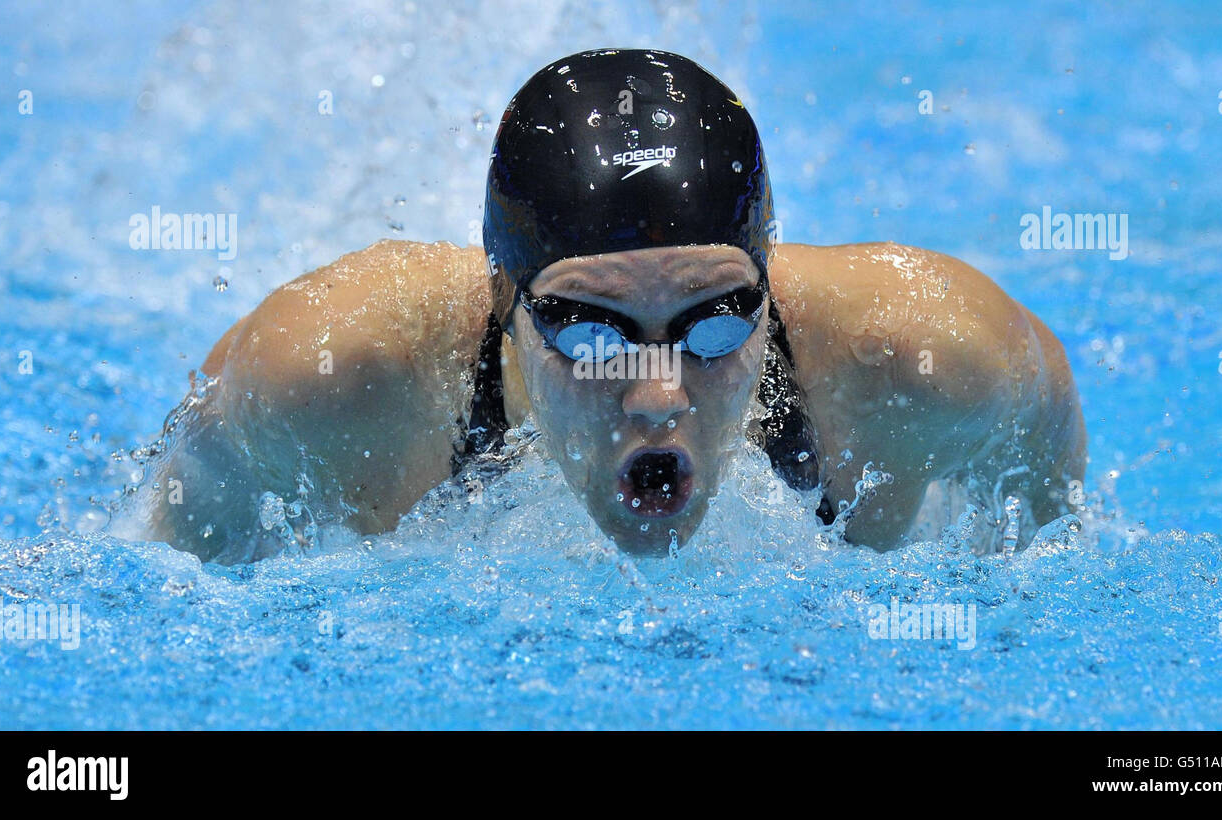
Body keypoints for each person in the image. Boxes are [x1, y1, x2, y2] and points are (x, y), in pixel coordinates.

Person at [143, 48, 1086, 563]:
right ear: (505, 299)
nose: (658, 395)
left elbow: (1054, 562)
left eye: (715, 319)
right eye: (592, 331)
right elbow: (158, 589)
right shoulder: (328, 383)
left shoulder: (934, 362)